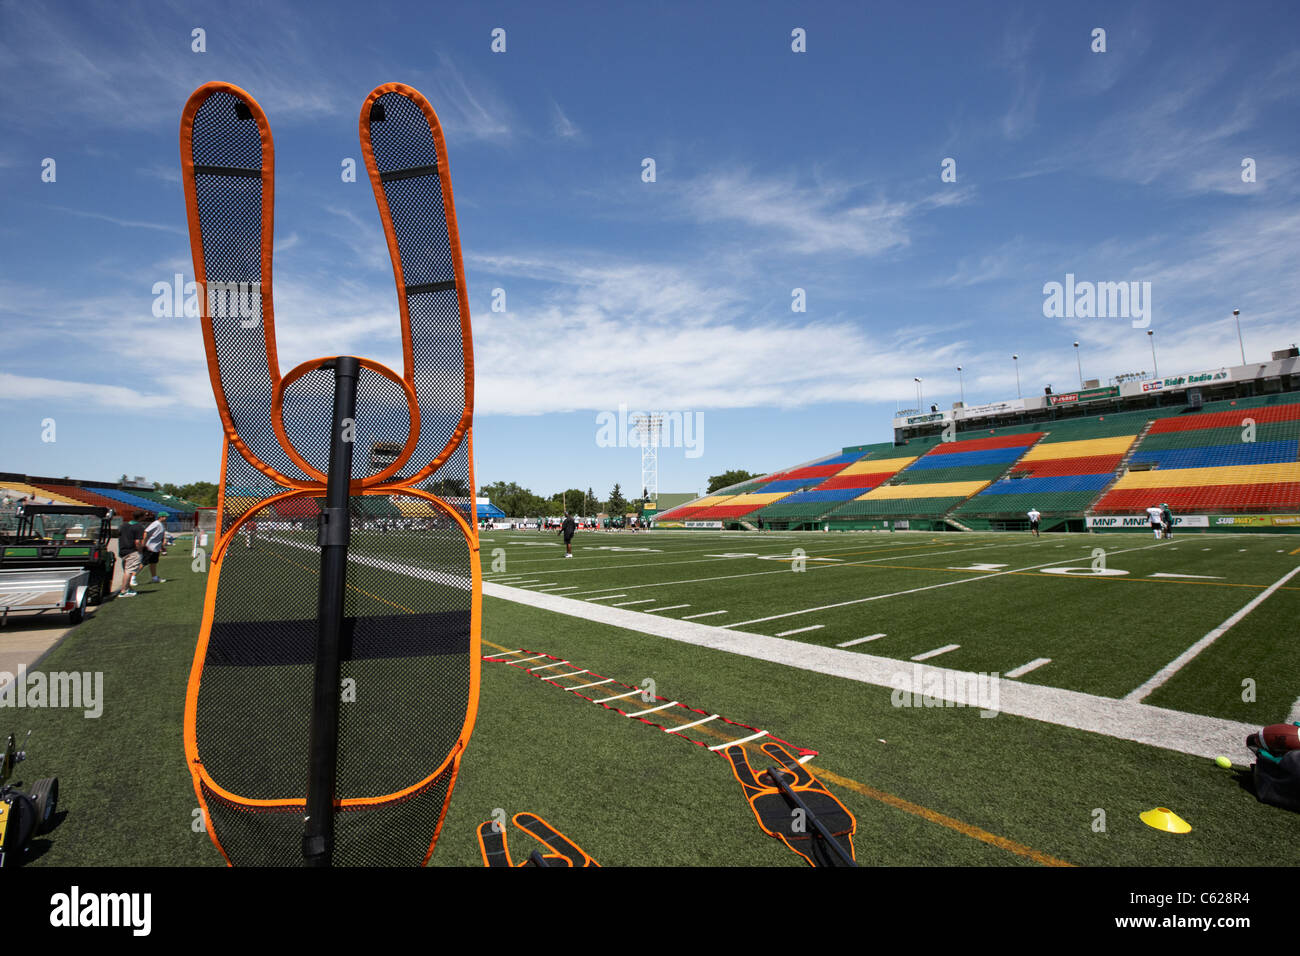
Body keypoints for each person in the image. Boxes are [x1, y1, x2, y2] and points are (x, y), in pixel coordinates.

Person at [117, 512, 143, 596]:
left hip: (123, 550)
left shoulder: (123, 525)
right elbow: (137, 541)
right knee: (129, 571)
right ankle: (124, 591)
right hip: (132, 551)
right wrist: (140, 550)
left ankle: (128, 588)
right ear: (141, 517)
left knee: (127, 570)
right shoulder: (139, 527)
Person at [142, 511, 169, 584]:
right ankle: (133, 577)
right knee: (144, 563)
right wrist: (144, 544)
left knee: (153, 563)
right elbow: (146, 531)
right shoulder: (156, 523)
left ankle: (154, 577)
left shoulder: (161, 524)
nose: (166, 518)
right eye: (165, 516)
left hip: (156, 547)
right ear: (161, 517)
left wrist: (162, 546)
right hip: (150, 547)